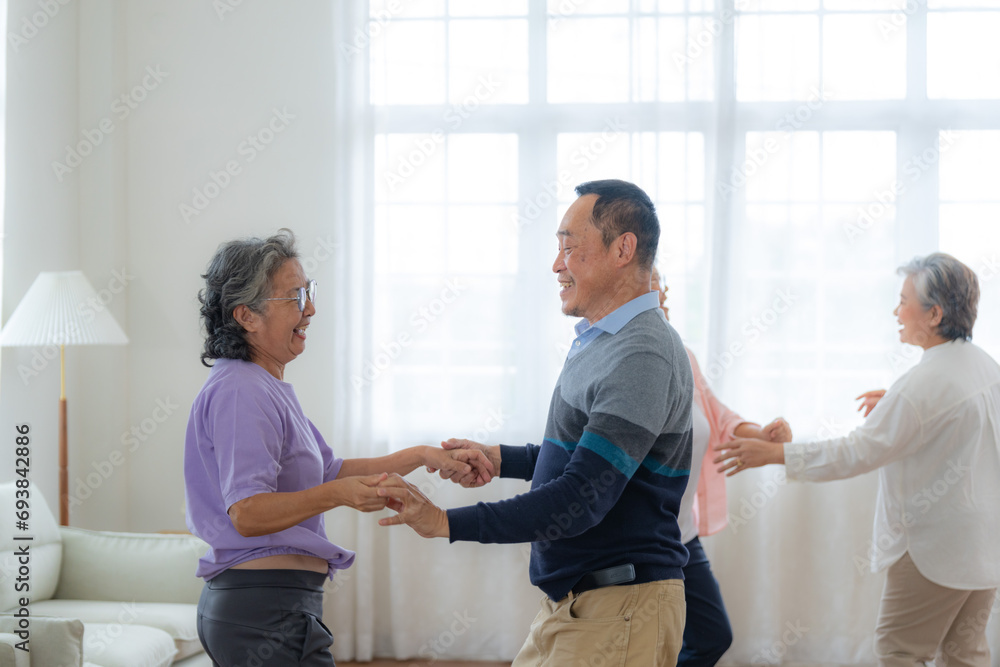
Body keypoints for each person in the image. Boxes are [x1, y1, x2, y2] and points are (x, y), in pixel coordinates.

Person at [376, 180, 695, 667]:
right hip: (582, 606)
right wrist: (498, 459)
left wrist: (444, 523)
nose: (556, 264)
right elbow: (583, 457)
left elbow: (581, 497)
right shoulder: (602, 340)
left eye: (570, 246)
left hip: (619, 610)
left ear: (622, 249)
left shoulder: (642, 352)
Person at [183, 230, 492, 666]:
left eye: (308, 291)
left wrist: (424, 456)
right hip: (261, 613)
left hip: (280, 605)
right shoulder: (241, 390)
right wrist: (340, 497)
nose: (310, 308)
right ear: (246, 316)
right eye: (294, 297)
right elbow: (248, 512)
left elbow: (331, 471)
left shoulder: (264, 386)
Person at [714, 253, 1000, 667]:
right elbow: (964, 422)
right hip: (983, 547)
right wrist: (902, 410)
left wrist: (777, 454)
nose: (896, 311)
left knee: (899, 652)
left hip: (935, 552)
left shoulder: (923, 386)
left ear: (934, 313)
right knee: (966, 655)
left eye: (904, 301)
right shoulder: (983, 366)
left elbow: (855, 452)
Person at [650, 267, 792, 666]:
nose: (662, 298)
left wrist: (761, 433)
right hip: (647, 539)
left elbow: (717, 413)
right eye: (652, 289)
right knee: (646, 643)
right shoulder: (632, 364)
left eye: (663, 290)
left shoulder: (683, 356)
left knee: (712, 636)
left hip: (682, 533)